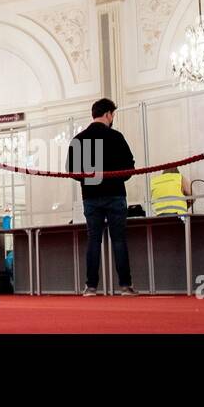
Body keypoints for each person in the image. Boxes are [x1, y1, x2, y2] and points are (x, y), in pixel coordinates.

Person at [66, 98, 138, 296]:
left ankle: (91, 287)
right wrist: (116, 178)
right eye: (112, 114)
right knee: (119, 240)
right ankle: (125, 286)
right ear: (108, 114)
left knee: (93, 241)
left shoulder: (79, 139)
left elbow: (72, 171)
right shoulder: (116, 137)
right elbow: (130, 167)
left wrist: (89, 180)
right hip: (115, 195)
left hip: (90, 196)